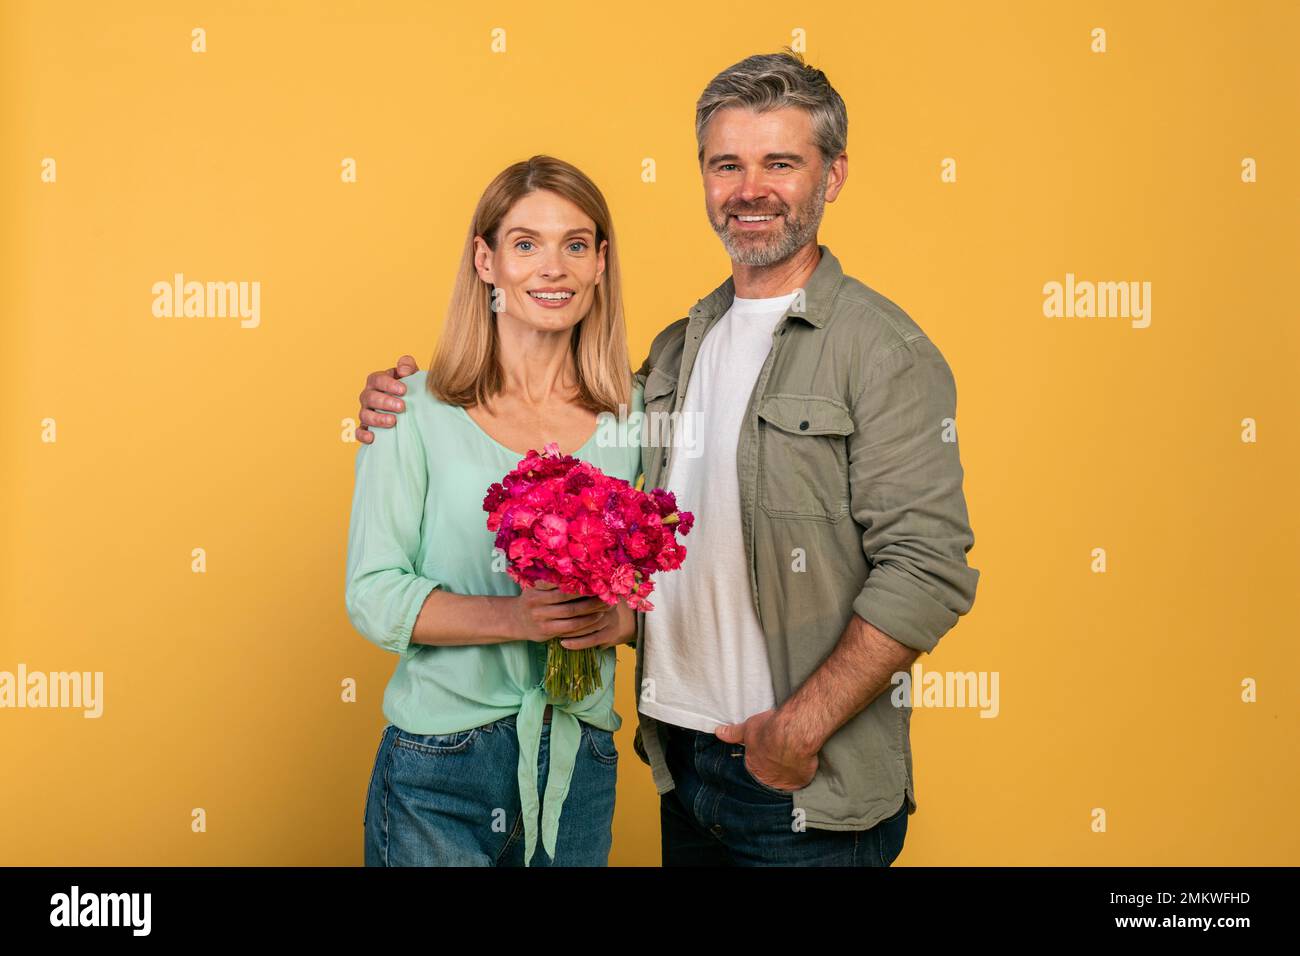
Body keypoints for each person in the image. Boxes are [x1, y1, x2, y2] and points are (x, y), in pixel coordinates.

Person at [355, 49, 980, 866]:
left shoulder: (883, 352)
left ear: (832, 177)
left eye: (780, 162)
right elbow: (654, 567)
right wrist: (397, 399)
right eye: (728, 164)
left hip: (796, 777)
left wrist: (798, 729)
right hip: (678, 768)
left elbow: (929, 567)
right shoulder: (674, 359)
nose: (750, 188)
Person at [346, 155, 642, 867]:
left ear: (600, 264)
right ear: (486, 260)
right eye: (525, 244)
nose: (553, 269)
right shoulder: (410, 411)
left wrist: (621, 619)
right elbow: (372, 594)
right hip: (439, 767)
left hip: (580, 760)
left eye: (575, 244)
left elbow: (670, 585)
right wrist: (519, 618)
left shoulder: (639, 417)